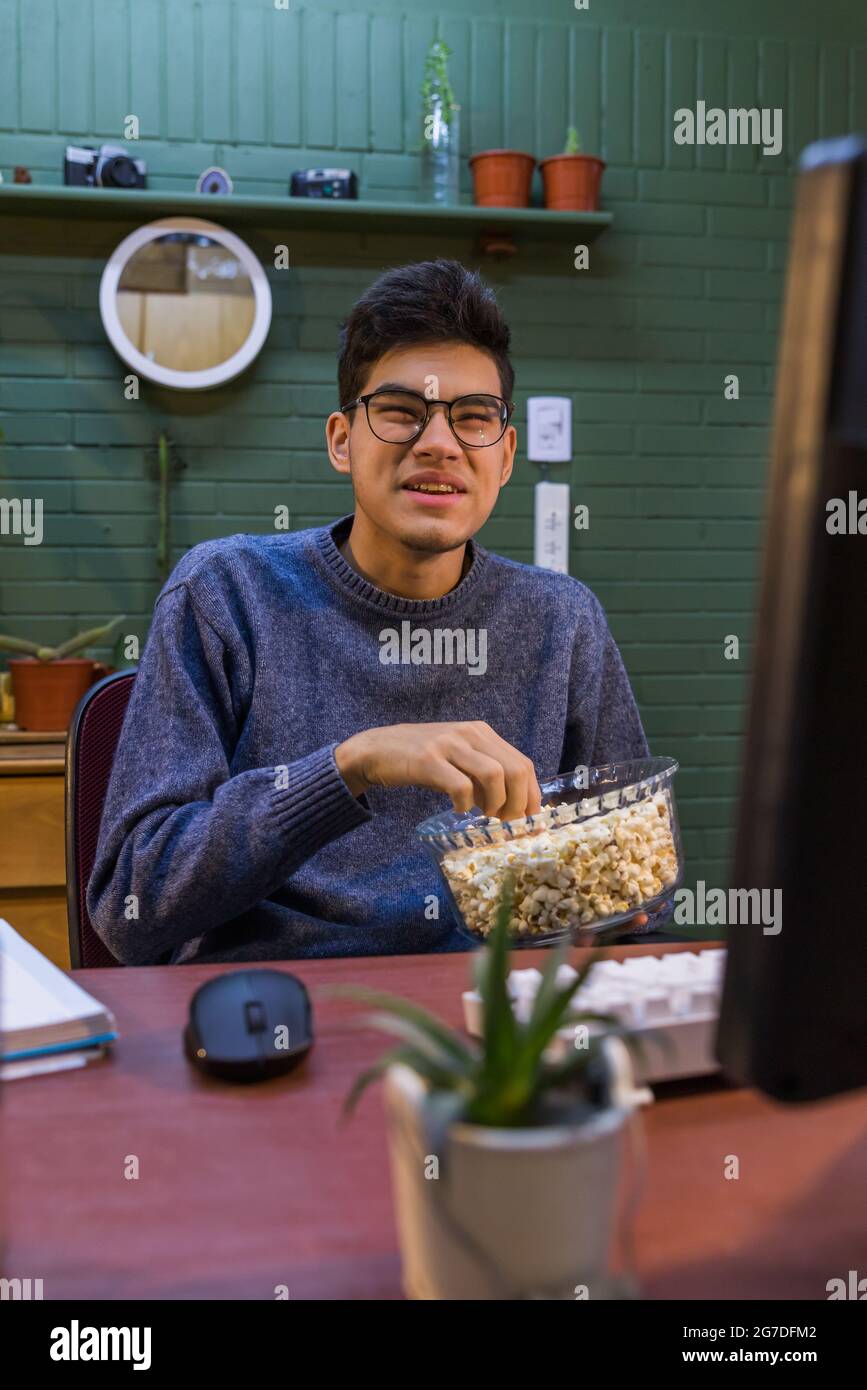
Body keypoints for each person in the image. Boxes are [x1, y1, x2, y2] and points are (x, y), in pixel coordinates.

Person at [88, 258, 654, 964]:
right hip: (275, 1011)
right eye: (400, 413)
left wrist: (611, 902)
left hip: (485, 1018)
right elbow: (132, 908)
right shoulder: (226, 592)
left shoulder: (560, 618)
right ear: (341, 440)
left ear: (505, 457)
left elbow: (626, 893)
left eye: (473, 419)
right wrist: (349, 767)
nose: (439, 443)